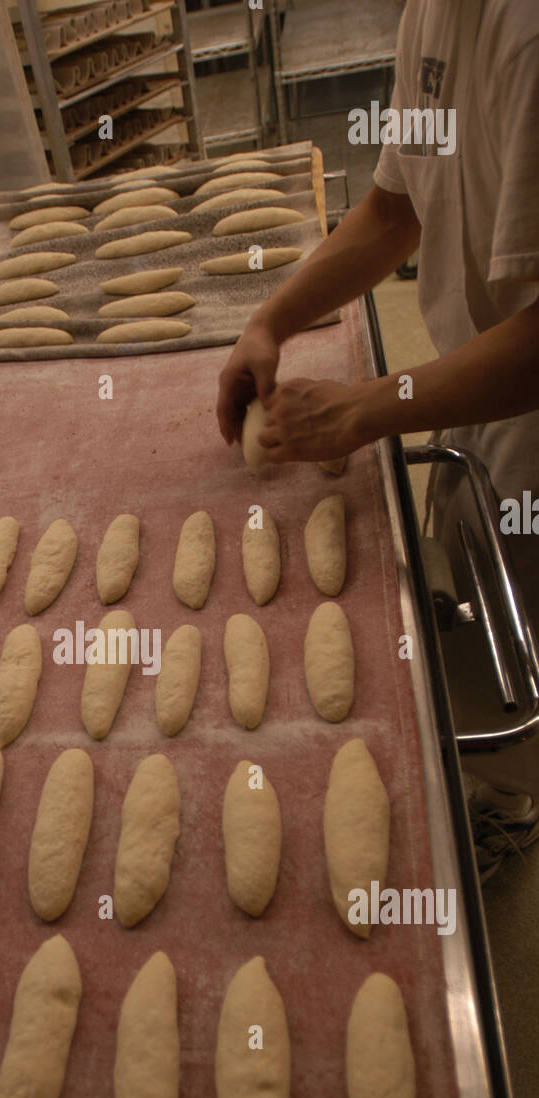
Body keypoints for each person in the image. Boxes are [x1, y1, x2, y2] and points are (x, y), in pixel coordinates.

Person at [217, 0, 539, 879]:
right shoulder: (430, 15)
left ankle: (509, 806)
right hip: (478, 369)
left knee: (520, 645)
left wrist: (367, 406)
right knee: (469, 597)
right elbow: (394, 212)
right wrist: (270, 322)